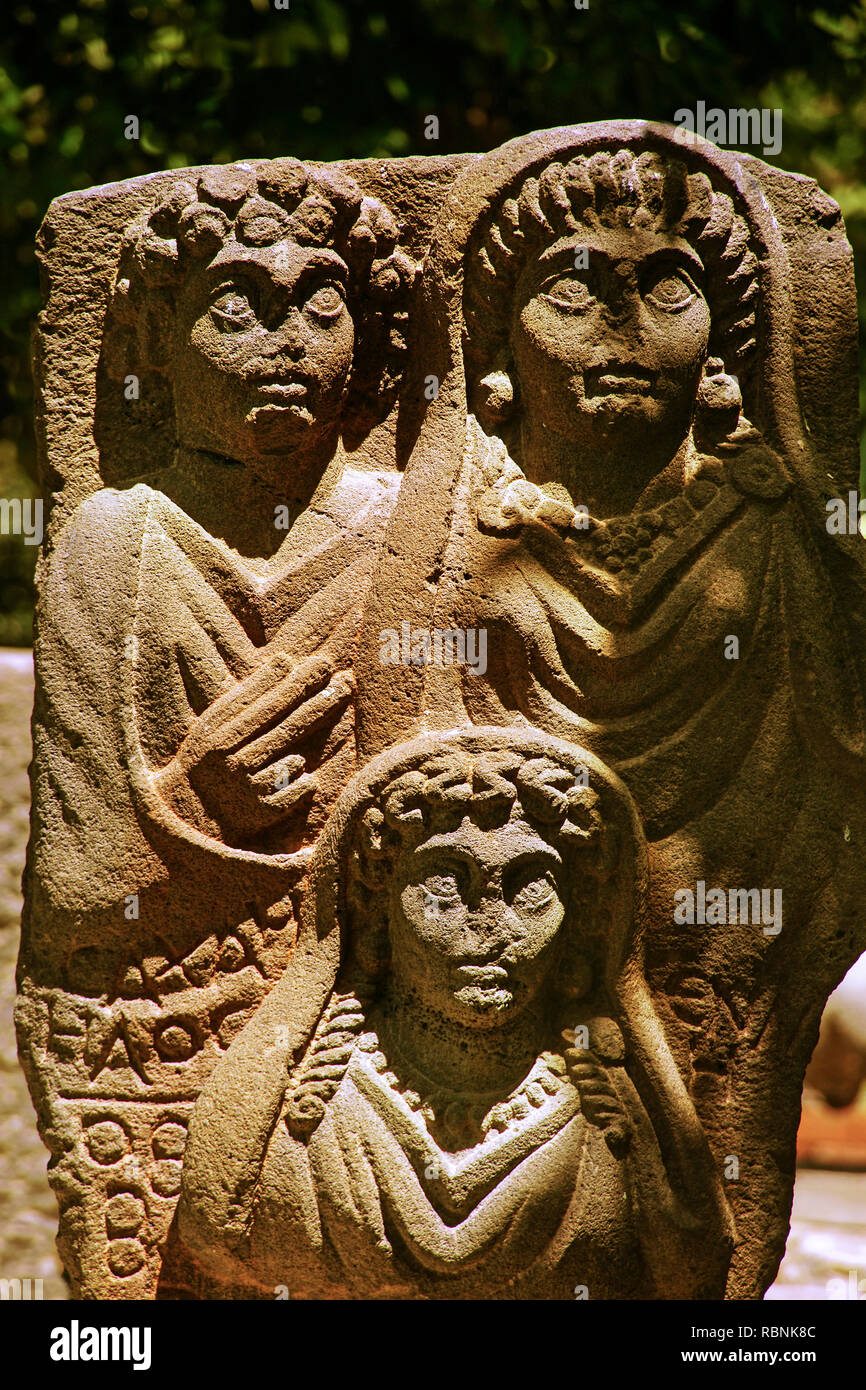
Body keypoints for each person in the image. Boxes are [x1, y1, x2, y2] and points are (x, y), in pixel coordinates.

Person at [177, 728, 732, 1299]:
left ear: (583, 919)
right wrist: (312, 974)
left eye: (531, 890)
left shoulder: (610, 1120)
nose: (490, 929)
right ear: (376, 905)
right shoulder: (318, 1108)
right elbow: (211, 1217)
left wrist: (630, 1007)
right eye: (444, 885)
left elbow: (695, 1264)